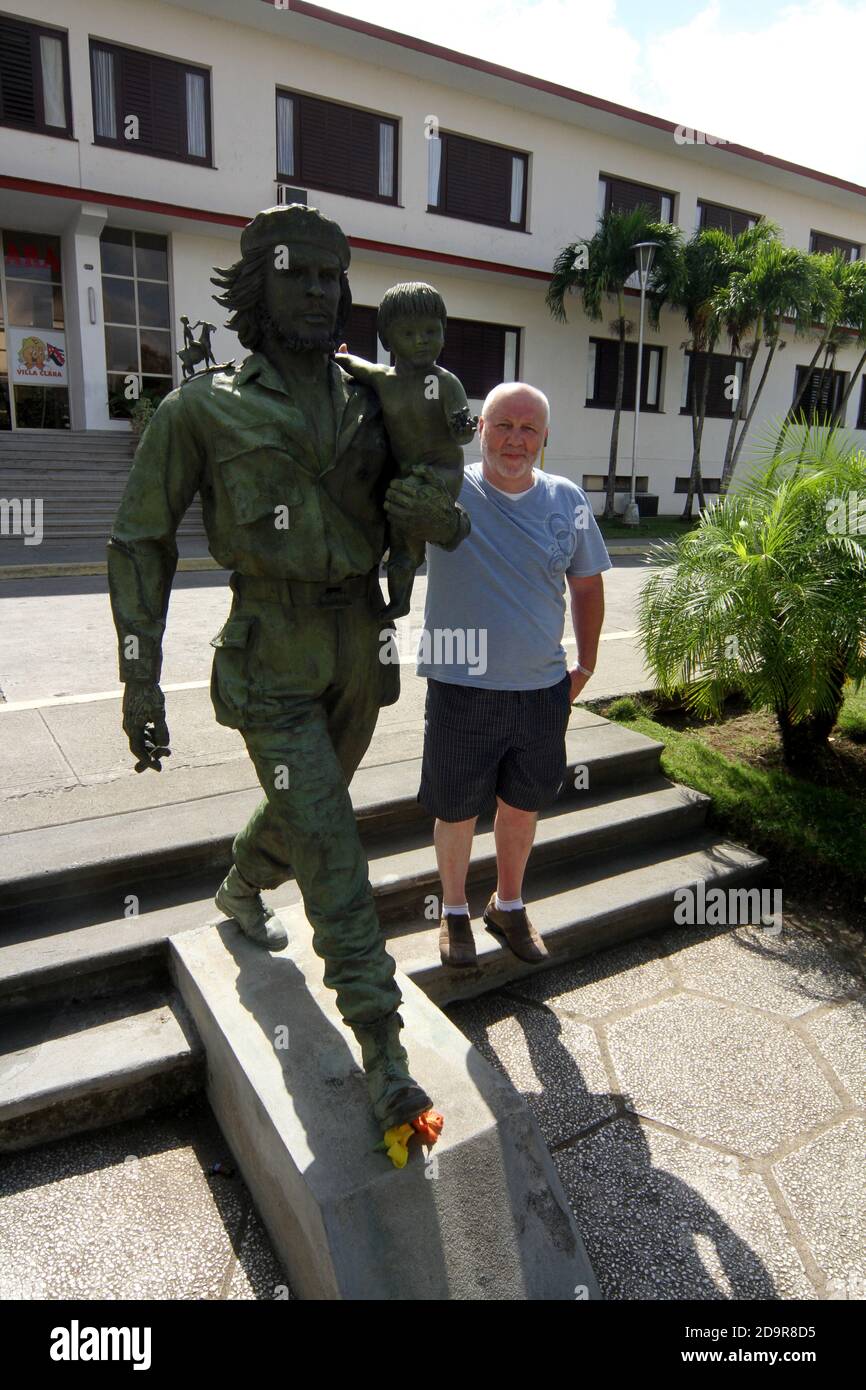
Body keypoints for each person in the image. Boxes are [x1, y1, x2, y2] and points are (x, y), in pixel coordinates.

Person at [107, 204, 470, 1132]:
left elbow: (442, 505)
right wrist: (139, 673)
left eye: (330, 276)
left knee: (311, 809)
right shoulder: (203, 406)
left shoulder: (383, 396)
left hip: (360, 644)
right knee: (330, 836)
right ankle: (382, 1047)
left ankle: (239, 881)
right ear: (257, 286)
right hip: (267, 650)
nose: (318, 291)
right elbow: (141, 539)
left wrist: (436, 515)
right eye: (296, 273)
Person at [417, 381, 612, 968]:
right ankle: (453, 911)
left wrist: (587, 664)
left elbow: (587, 585)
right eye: (503, 424)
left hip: (540, 690)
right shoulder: (449, 487)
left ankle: (508, 904)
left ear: (545, 438)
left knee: (523, 805)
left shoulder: (568, 499)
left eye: (529, 428)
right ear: (480, 428)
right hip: (461, 684)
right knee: (455, 808)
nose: (515, 438)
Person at [336, 281, 476, 619]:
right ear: (387, 340)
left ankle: (404, 584)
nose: (421, 340)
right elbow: (355, 365)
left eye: (431, 331)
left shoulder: (445, 382)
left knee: (408, 516)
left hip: (442, 472)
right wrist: (337, 357)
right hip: (404, 472)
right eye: (408, 333)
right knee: (399, 537)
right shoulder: (384, 379)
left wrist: (462, 429)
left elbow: (461, 437)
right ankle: (398, 599)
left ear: (444, 332)